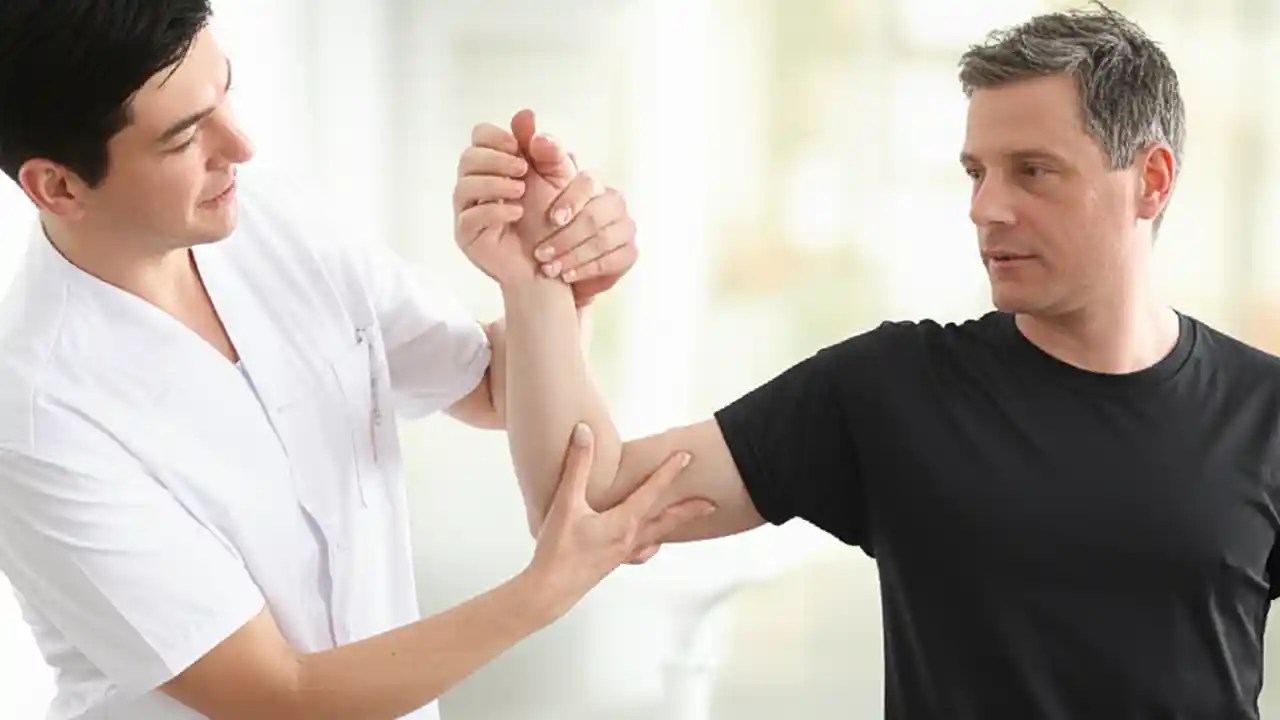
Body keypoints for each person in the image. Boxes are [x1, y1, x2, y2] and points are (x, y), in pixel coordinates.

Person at [464, 4, 1280, 718]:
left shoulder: (1264, 412)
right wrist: (536, 284)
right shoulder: (891, 390)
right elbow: (586, 503)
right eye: (975, 172)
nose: (985, 208)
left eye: (1032, 172)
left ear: (1153, 180)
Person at [0, 2, 712, 719]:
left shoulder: (272, 224)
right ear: (57, 187)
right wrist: (544, 590)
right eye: (185, 137)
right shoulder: (38, 416)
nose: (240, 145)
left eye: (224, 95)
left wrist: (540, 281)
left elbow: (489, 385)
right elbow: (277, 695)